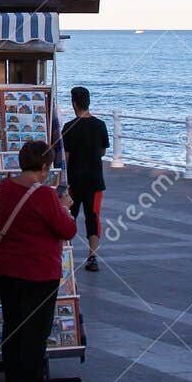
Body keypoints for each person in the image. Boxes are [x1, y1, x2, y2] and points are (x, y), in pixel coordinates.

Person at [0, 140, 77, 382]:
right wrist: (64, 207)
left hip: (7, 269)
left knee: (13, 329)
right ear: (43, 168)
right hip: (38, 272)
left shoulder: (5, 187)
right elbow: (67, 230)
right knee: (35, 334)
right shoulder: (44, 195)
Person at [59, 85, 110, 273]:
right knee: (93, 217)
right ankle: (92, 257)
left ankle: (65, 252)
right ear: (88, 102)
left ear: (74, 104)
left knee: (69, 215)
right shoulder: (100, 125)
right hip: (95, 180)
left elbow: (66, 157)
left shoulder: (68, 127)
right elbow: (102, 151)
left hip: (74, 181)